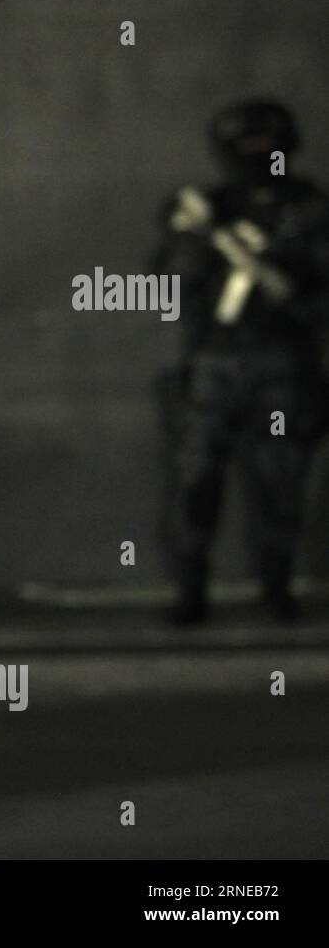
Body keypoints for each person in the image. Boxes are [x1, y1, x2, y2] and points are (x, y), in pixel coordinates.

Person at [154, 100, 329, 625]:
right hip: (217, 362)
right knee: (195, 480)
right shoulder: (207, 207)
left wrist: (285, 292)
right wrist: (196, 237)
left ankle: (276, 588)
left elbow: (317, 294)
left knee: (280, 483)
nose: (258, 156)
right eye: (246, 145)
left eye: (265, 144)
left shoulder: (311, 210)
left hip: (283, 365)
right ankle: (191, 592)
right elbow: (174, 280)